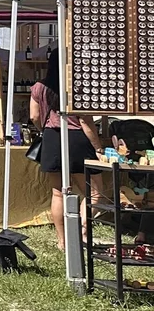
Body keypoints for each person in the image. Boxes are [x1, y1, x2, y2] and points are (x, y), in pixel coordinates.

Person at [30, 57, 104, 252]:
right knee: (95, 192)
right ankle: (82, 233)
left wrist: (45, 130)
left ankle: (62, 241)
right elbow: (85, 122)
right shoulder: (76, 87)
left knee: (58, 193)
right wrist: (98, 148)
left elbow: (34, 116)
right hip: (77, 139)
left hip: (51, 138)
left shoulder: (39, 87)